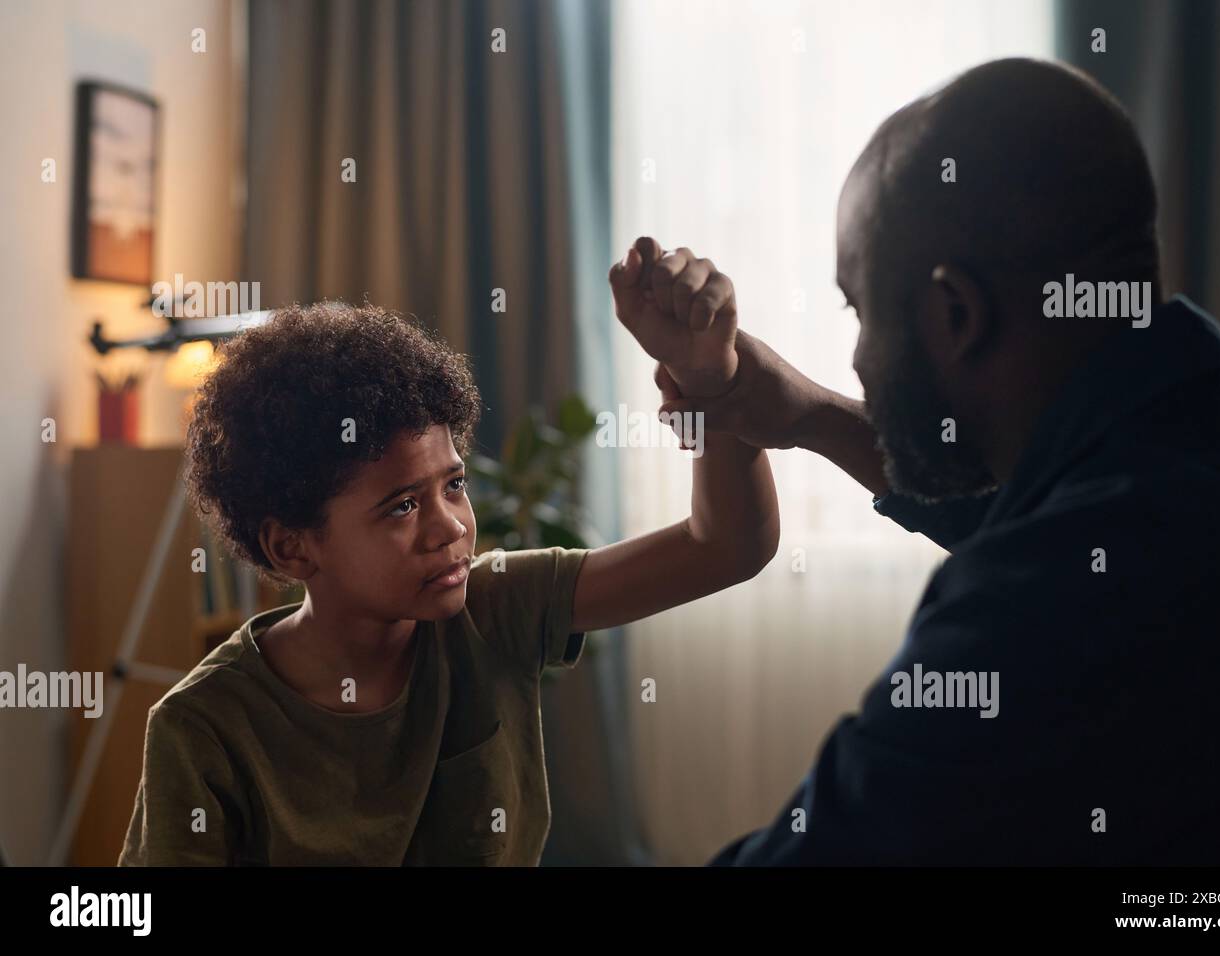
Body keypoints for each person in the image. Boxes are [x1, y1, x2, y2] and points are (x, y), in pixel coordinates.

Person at [653, 57, 1220, 865]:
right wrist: (813, 416)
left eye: (860, 312)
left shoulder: (1022, 625)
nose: (855, 356)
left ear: (955, 311)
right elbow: (1103, 517)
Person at [119, 245, 778, 865]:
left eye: (453, 486)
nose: (451, 529)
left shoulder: (494, 610)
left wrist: (709, 385)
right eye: (402, 506)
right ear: (291, 547)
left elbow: (723, 547)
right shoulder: (203, 727)